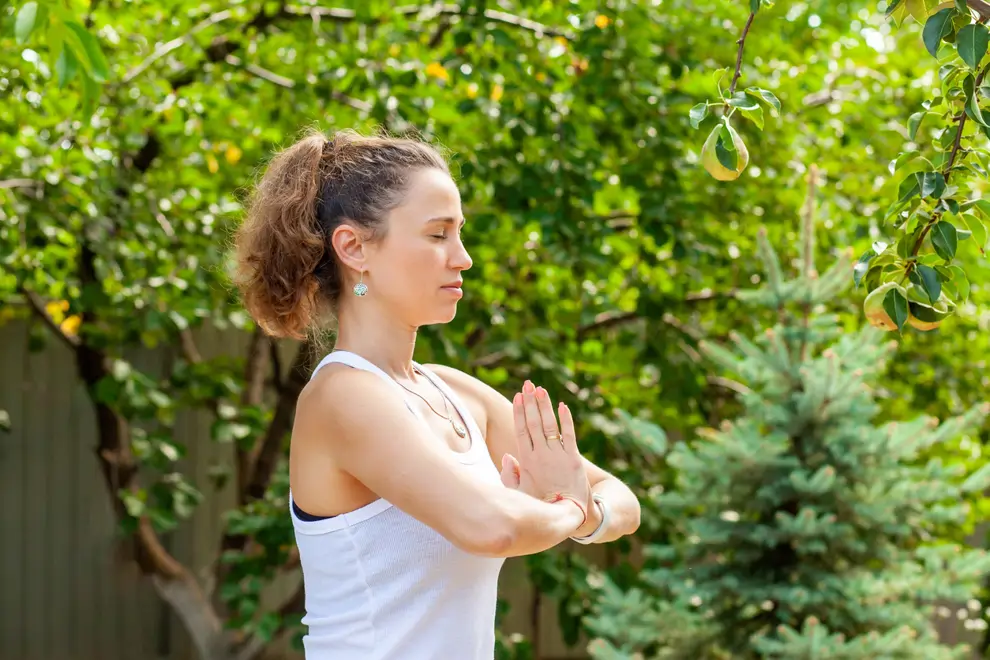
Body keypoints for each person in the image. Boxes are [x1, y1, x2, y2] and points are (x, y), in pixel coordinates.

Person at [232, 128, 641, 660]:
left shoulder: (456, 394)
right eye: (437, 234)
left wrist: (576, 511)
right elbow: (490, 527)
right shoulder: (342, 396)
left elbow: (622, 500)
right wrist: (569, 507)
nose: (463, 257)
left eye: (460, 232)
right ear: (355, 248)